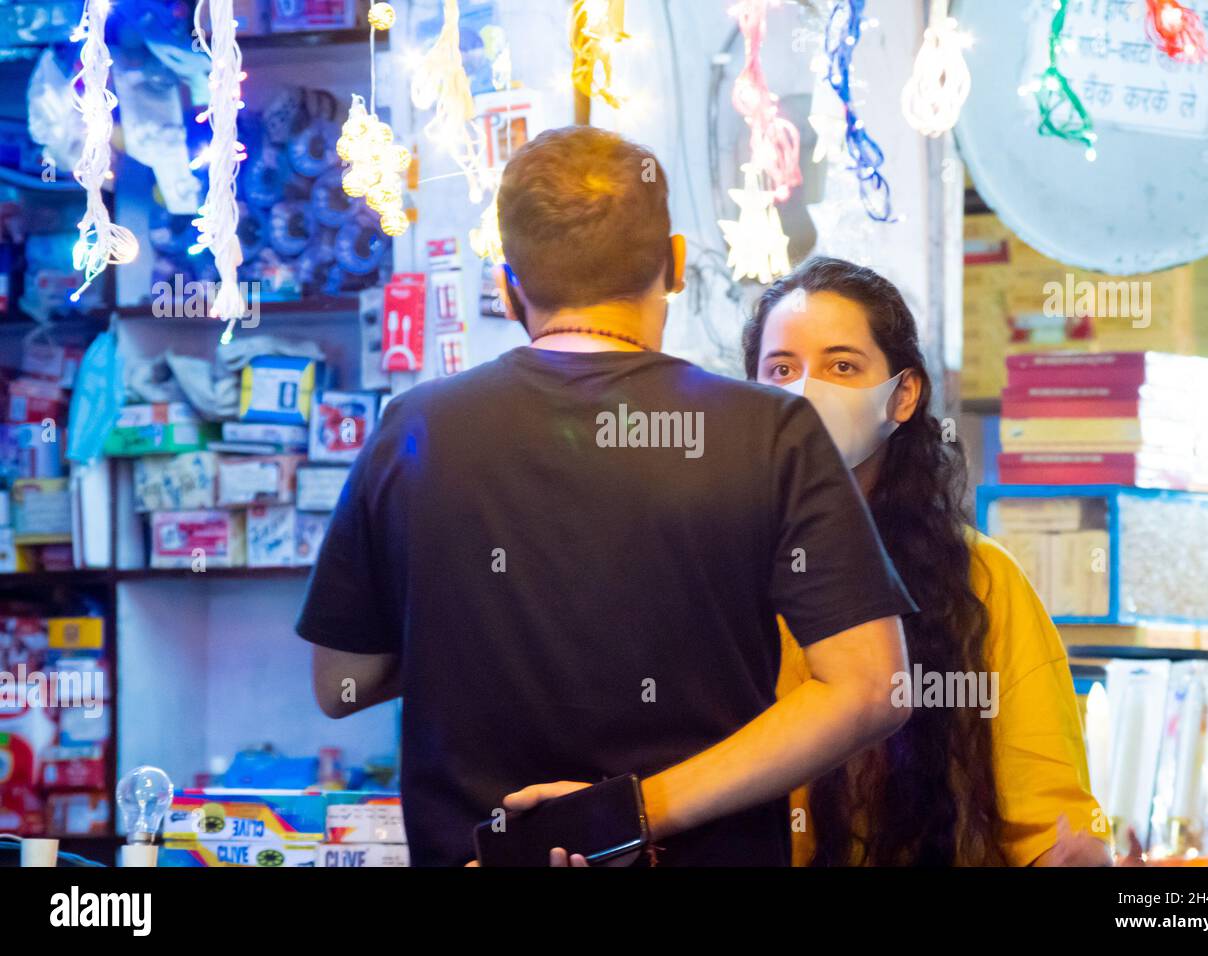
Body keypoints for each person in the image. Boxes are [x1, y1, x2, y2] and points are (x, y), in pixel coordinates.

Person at [296, 128, 917, 866]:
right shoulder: (771, 431)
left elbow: (339, 684)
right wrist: (635, 814)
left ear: (507, 285)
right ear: (676, 264)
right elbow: (873, 688)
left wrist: (463, 625)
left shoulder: (413, 431)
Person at [742, 256, 1111, 866]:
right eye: (781, 369)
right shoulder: (716, 568)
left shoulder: (982, 580)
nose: (805, 391)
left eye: (841, 366)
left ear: (903, 394)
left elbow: (1050, 823)